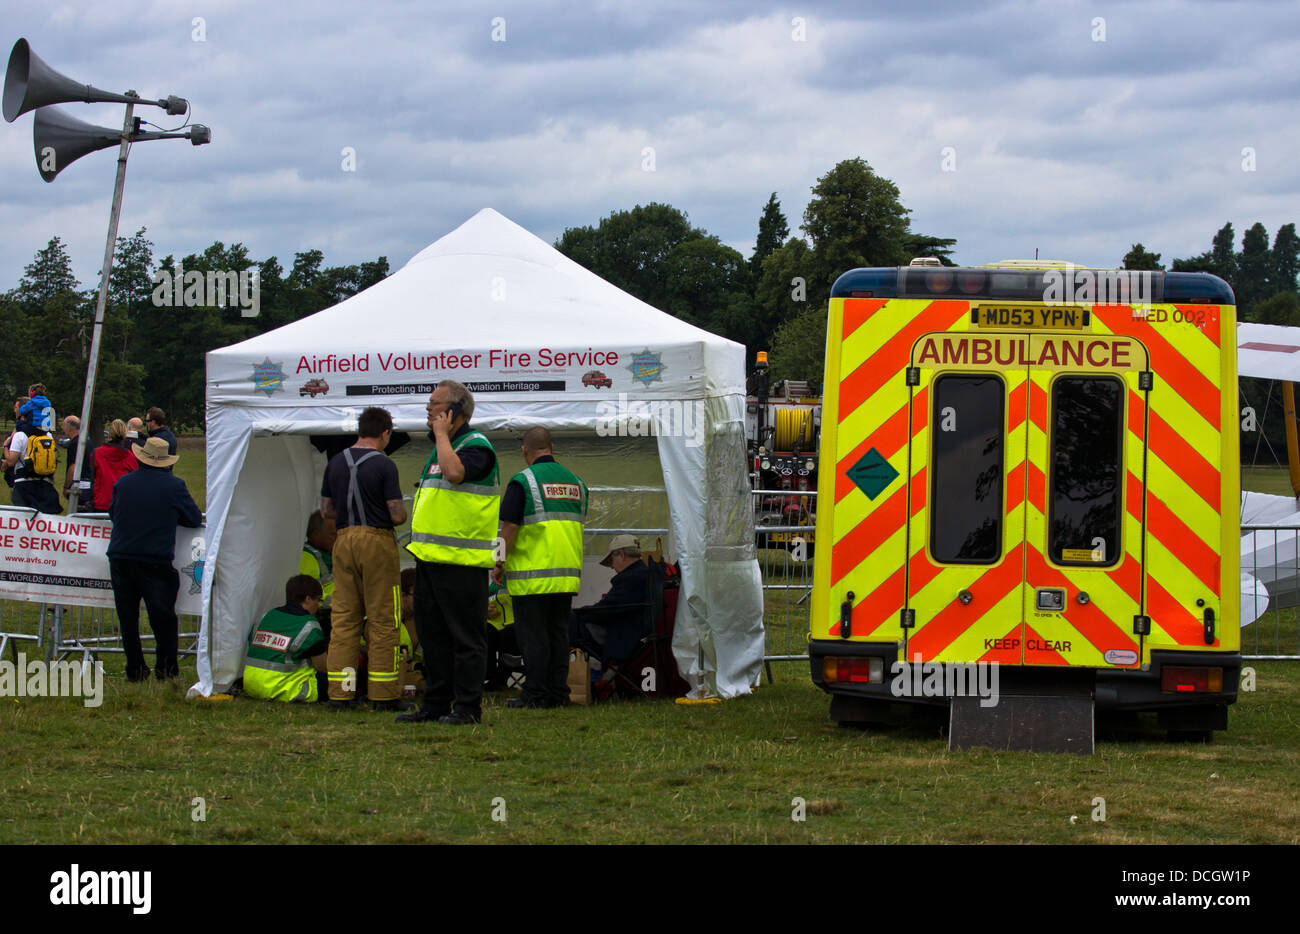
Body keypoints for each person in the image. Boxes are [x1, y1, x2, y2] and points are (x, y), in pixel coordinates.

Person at [398, 380, 499, 726]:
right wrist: (441, 439)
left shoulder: (476, 446)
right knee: (433, 637)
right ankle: (435, 705)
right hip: (430, 560)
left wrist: (442, 435)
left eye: (434, 404)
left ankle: (468, 708)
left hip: (462, 563)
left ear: (453, 411)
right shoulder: (440, 450)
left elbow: (456, 474)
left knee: (466, 639)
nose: (428, 409)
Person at [491, 427, 588, 710]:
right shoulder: (578, 483)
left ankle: (535, 694)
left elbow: (508, 527)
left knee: (533, 639)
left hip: (532, 577)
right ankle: (558, 694)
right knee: (559, 636)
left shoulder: (523, 482)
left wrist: (498, 561)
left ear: (524, 450)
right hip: (566, 576)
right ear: (552, 447)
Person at [320, 406, 407, 712]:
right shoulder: (384, 464)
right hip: (376, 540)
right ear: (385, 433)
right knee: (384, 619)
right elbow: (396, 515)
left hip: (343, 540)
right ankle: (382, 694)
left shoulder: (335, 463)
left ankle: (340, 693)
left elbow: (327, 509)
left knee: (344, 621)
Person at [106, 436, 203, 681]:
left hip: (121, 557)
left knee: (128, 618)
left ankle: (135, 669)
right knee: (163, 619)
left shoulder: (123, 483)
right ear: (166, 463)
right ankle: (166, 669)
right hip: (154, 560)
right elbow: (192, 518)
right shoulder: (174, 486)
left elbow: (112, 513)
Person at [242, 574, 328, 702]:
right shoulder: (309, 626)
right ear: (308, 599)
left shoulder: (267, 616)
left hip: (251, 685)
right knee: (345, 674)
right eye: (318, 600)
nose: (319, 606)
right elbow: (322, 666)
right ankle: (348, 699)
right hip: (284, 688)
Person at [570, 535, 651, 664]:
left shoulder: (630, 579)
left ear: (622, 555)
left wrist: (578, 612)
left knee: (564, 620)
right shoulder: (645, 574)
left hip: (620, 636)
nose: (612, 566)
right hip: (633, 634)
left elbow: (605, 610)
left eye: (611, 560)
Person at [5, 412, 62, 514]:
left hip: (23, 483)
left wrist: (5, 446)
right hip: (45, 483)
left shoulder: (20, 435)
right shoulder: (48, 435)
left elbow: (11, 461)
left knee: (24, 521)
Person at [92, 419, 139, 511]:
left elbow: (92, 474)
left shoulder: (97, 453)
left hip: (101, 501)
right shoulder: (131, 457)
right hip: (122, 503)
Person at [300, 509, 337, 622]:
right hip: (325, 621)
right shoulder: (306, 557)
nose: (337, 539)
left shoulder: (330, 554)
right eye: (332, 535)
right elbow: (306, 599)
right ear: (315, 534)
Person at [60, 415, 96, 510]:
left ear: (69, 427)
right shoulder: (88, 440)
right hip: (90, 485)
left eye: (64, 426)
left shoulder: (76, 443)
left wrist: (66, 487)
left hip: (79, 485)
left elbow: (73, 468)